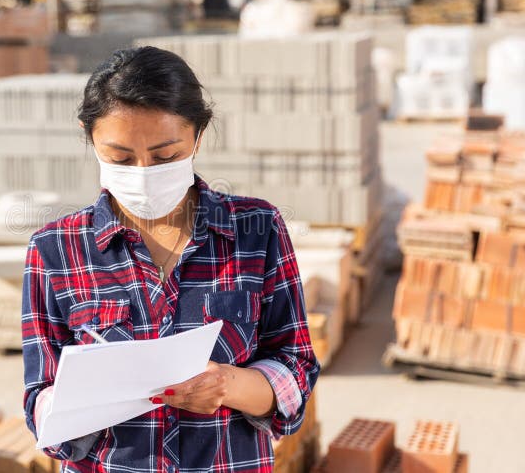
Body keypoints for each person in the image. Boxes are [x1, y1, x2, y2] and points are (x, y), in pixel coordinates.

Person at [21, 46, 320, 473]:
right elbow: (39, 402)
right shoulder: (54, 249)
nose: (143, 172)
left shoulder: (258, 229)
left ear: (197, 136)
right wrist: (84, 401)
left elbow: (297, 370)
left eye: (165, 157)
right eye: (120, 158)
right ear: (92, 142)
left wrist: (228, 385)